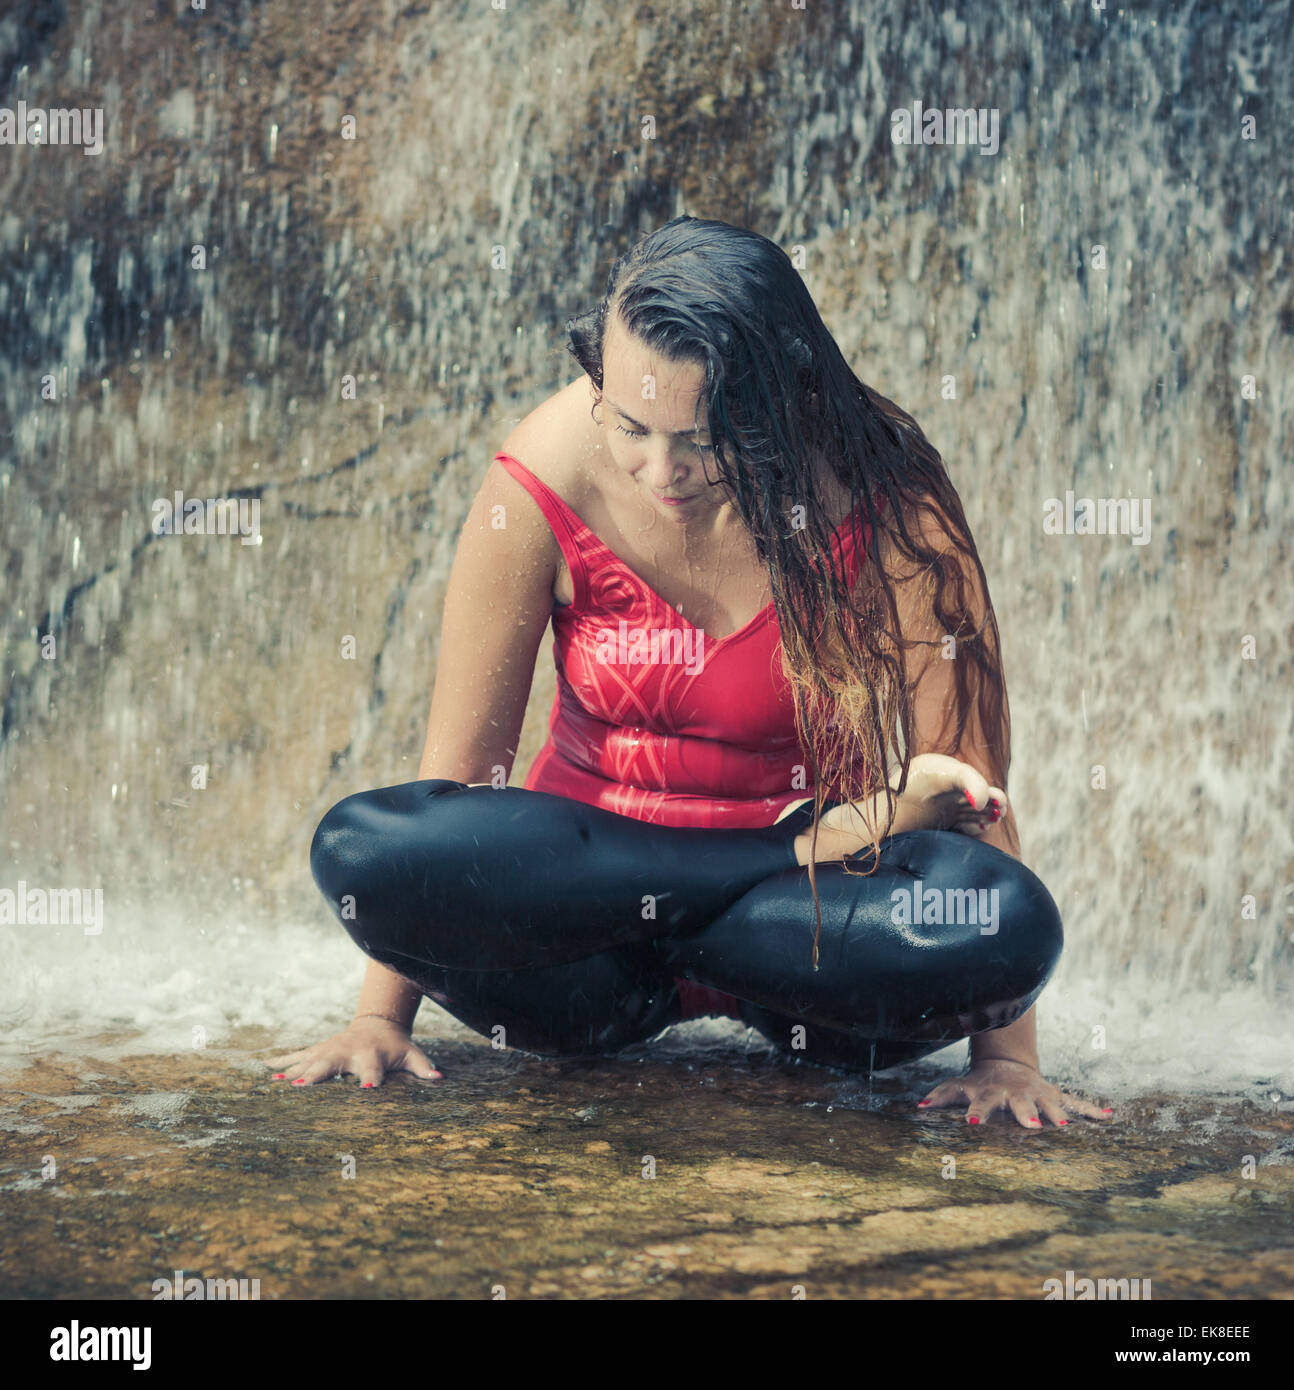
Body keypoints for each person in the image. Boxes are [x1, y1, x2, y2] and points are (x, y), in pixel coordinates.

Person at [271, 216, 1111, 1131]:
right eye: (629, 424)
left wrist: (1006, 1060)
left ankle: (781, 873)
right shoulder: (543, 475)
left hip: (806, 958)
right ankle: (784, 850)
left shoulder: (889, 500)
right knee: (365, 847)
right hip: (583, 951)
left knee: (1006, 922)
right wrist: (378, 1018)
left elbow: (967, 801)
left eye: (704, 437)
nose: (659, 470)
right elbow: (457, 785)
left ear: (783, 397)